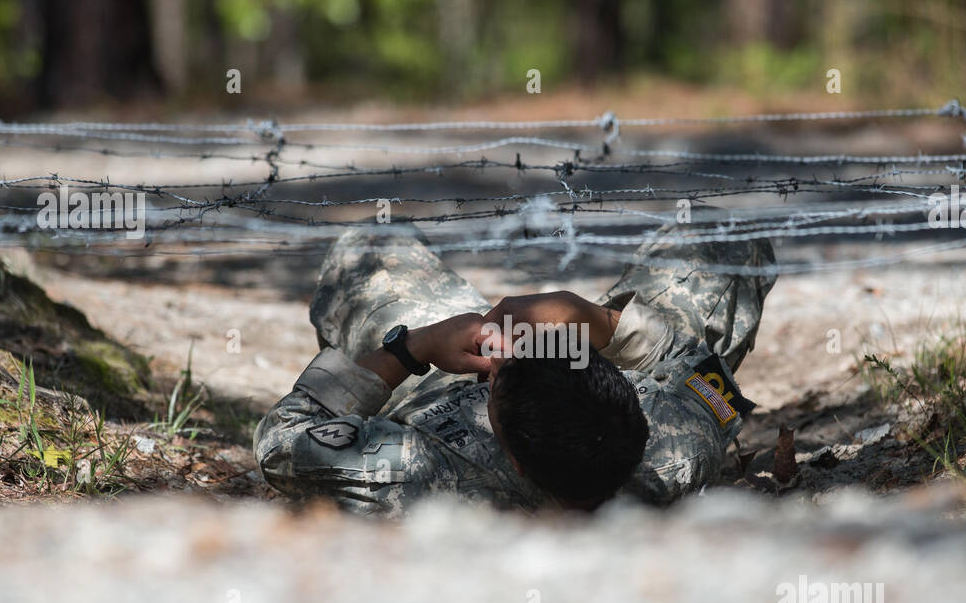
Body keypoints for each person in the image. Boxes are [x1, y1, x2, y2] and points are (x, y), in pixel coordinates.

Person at [254, 220, 776, 516]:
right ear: (621, 392)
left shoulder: (420, 470)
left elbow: (283, 443)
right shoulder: (676, 444)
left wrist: (412, 348)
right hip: (599, 370)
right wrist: (589, 317)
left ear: (515, 460)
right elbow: (697, 367)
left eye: (495, 380)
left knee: (369, 247)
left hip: (431, 367)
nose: (502, 357)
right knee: (720, 238)